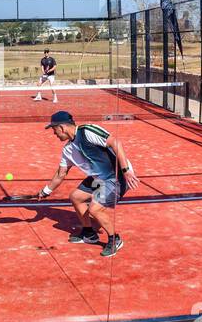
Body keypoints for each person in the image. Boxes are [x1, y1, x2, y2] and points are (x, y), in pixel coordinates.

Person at [37, 110, 140, 257]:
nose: (54, 134)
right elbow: (61, 173)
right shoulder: (68, 150)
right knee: (75, 197)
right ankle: (89, 233)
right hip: (99, 178)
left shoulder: (87, 131)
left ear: (62, 128)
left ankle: (114, 239)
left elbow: (115, 142)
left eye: (54, 130)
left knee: (95, 209)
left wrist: (126, 170)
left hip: (116, 176)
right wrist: (45, 191)